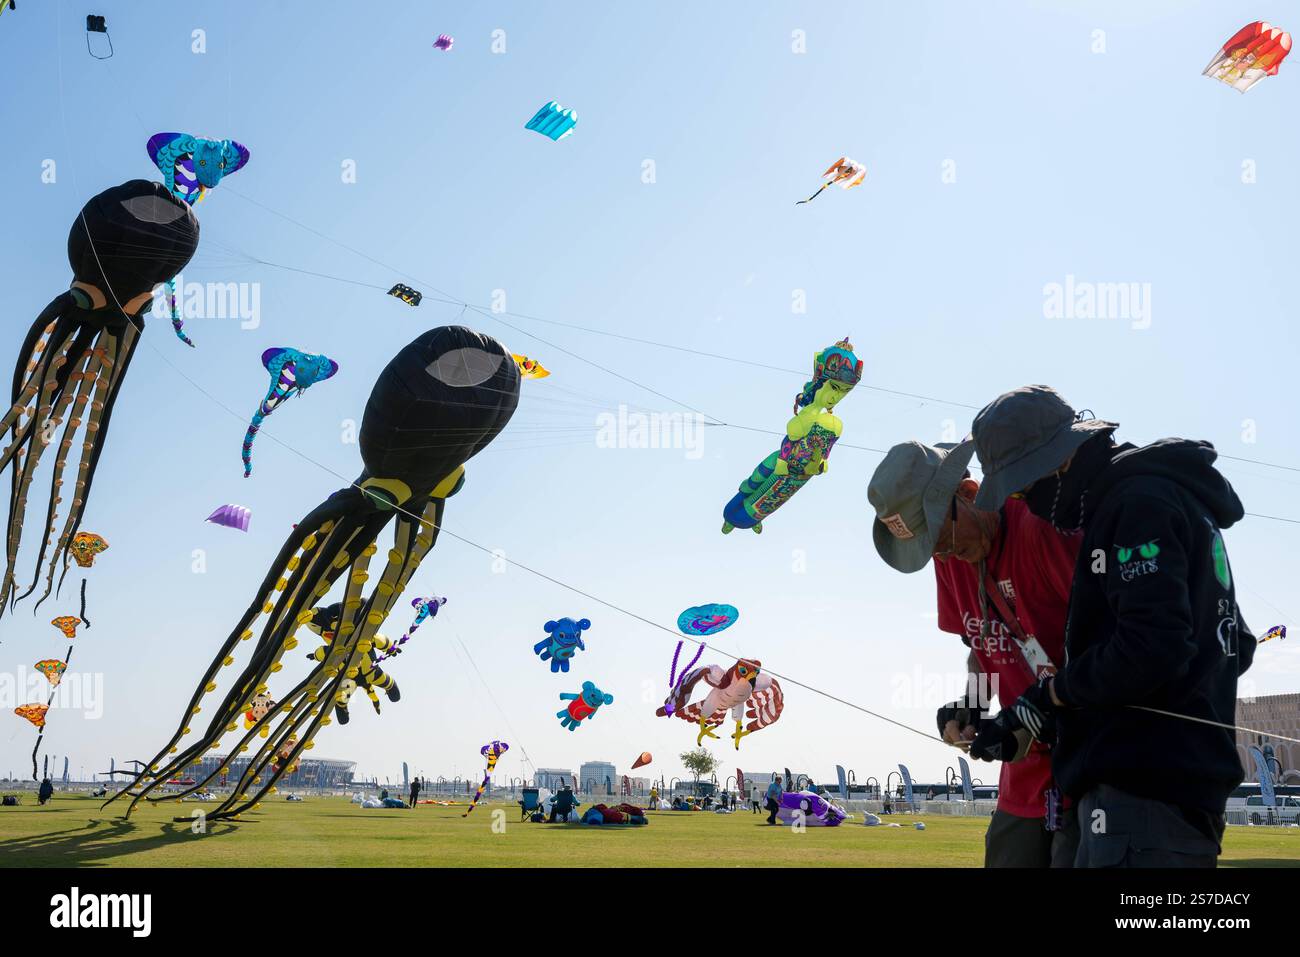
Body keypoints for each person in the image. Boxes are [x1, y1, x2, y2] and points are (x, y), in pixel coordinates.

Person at [969, 385, 1256, 868]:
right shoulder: (1167, 497)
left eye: (1019, 488)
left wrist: (1050, 696)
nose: (1024, 503)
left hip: (1142, 787)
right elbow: (1237, 645)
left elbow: (1151, 647)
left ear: (1055, 463)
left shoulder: (1137, 505)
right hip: (1180, 786)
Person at [869, 439, 1081, 867]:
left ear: (967, 494)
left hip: (1088, 768)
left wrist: (1042, 710)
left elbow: (1112, 644)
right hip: (1022, 779)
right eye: (930, 550)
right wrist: (973, 703)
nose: (943, 556)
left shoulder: (1041, 528)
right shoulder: (949, 560)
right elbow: (979, 646)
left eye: (942, 539)